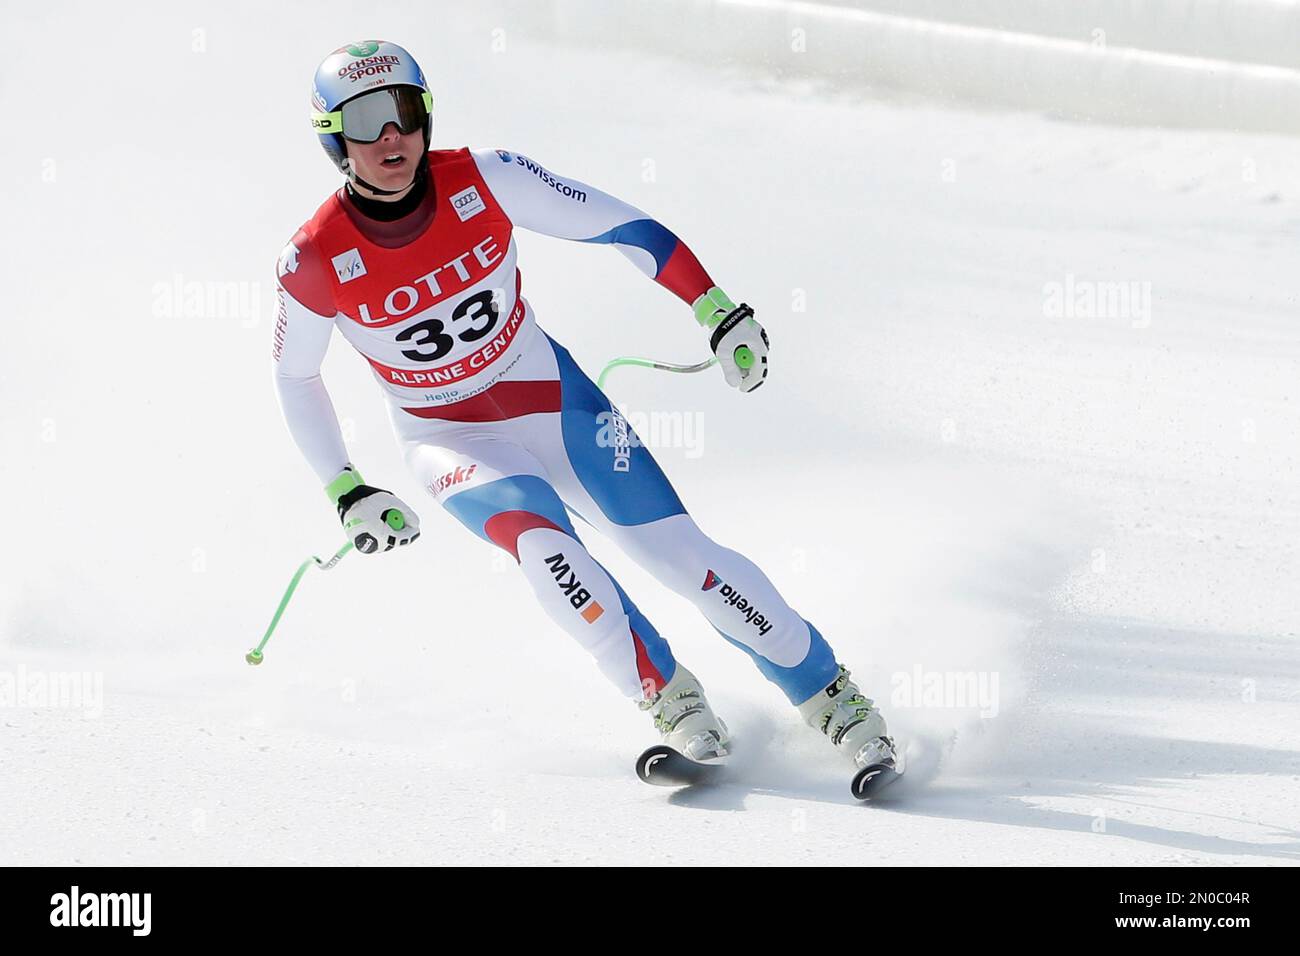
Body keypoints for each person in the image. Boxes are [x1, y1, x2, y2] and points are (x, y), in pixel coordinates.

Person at [273, 40, 899, 787]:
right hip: (448, 437)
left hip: (555, 401)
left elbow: (626, 227)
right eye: (367, 119)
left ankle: (837, 702)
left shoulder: (488, 177)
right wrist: (345, 488)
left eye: (405, 111)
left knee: (684, 558)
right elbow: (296, 376)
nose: (391, 137)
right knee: (546, 548)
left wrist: (716, 310)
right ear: (331, 136)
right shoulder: (313, 257)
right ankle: (670, 699)